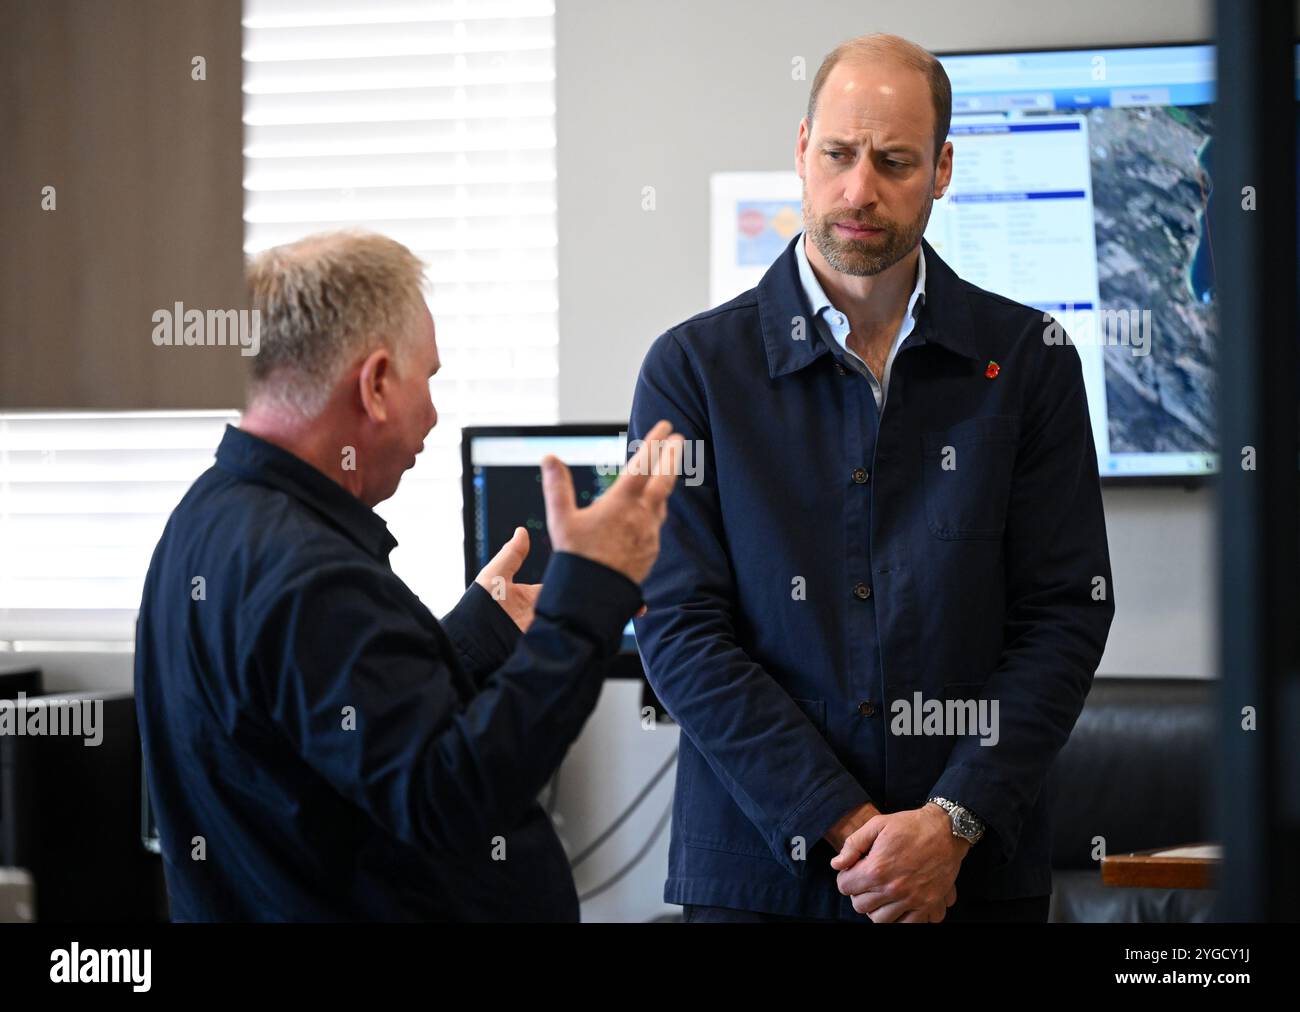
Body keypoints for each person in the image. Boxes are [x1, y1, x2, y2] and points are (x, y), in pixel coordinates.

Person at [629, 33, 1115, 923]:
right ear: (801, 148)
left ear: (942, 169)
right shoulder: (692, 368)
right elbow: (678, 627)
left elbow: (1064, 612)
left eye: (894, 162)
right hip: (758, 879)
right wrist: (848, 824)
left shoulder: (1030, 360)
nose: (859, 191)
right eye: (839, 155)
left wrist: (951, 823)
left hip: (971, 879)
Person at [135, 230, 683, 921]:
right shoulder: (310, 575)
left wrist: (478, 636)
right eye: (428, 379)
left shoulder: (210, 517)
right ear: (376, 384)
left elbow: (340, 736)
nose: (431, 415)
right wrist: (590, 595)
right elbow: (448, 798)